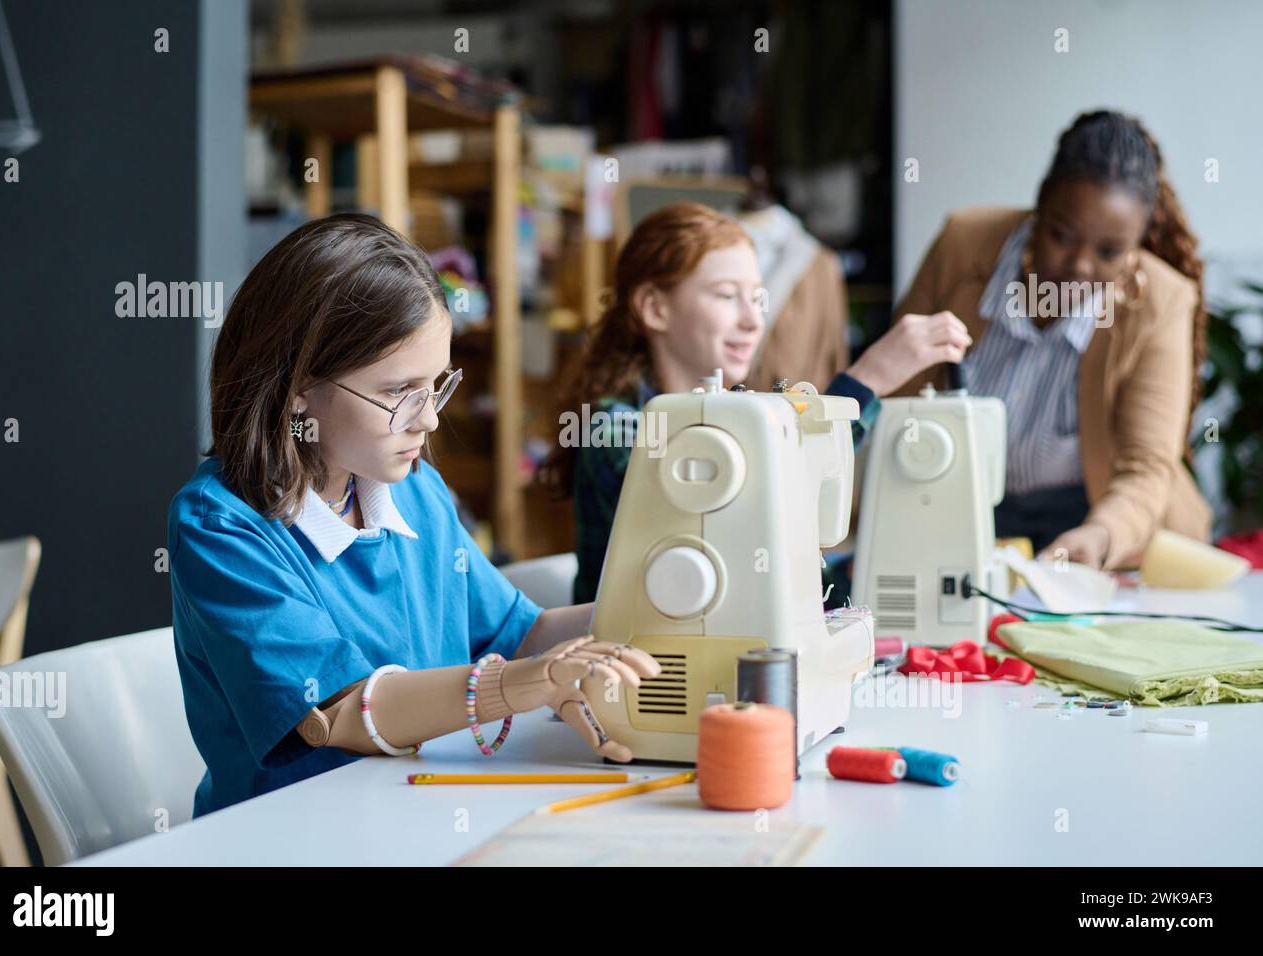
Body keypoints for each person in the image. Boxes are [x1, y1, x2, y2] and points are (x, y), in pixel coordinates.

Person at [169, 213, 656, 817]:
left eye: (436, 386)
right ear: (298, 386)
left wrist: (660, 608)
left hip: (418, 817)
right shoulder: (222, 524)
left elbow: (519, 633)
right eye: (401, 391)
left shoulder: (414, 489)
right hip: (290, 838)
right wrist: (522, 682)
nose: (427, 420)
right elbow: (338, 714)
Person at [542, 201, 971, 603]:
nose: (752, 321)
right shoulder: (616, 429)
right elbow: (742, 520)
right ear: (655, 308)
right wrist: (868, 379)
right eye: (727, 296)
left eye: (757, 298)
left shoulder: (740, 416)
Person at [893, 110, 1211, 568]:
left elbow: (1145, 466)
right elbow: (899, 395)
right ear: (1040, 204)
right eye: (1062, 236)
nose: (1080, 266)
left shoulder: (1161, 302)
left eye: (1109, 252)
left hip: (1093, 515)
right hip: (960, 505)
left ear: (1137, 243)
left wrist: (1100, 537)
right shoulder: (964, 246)